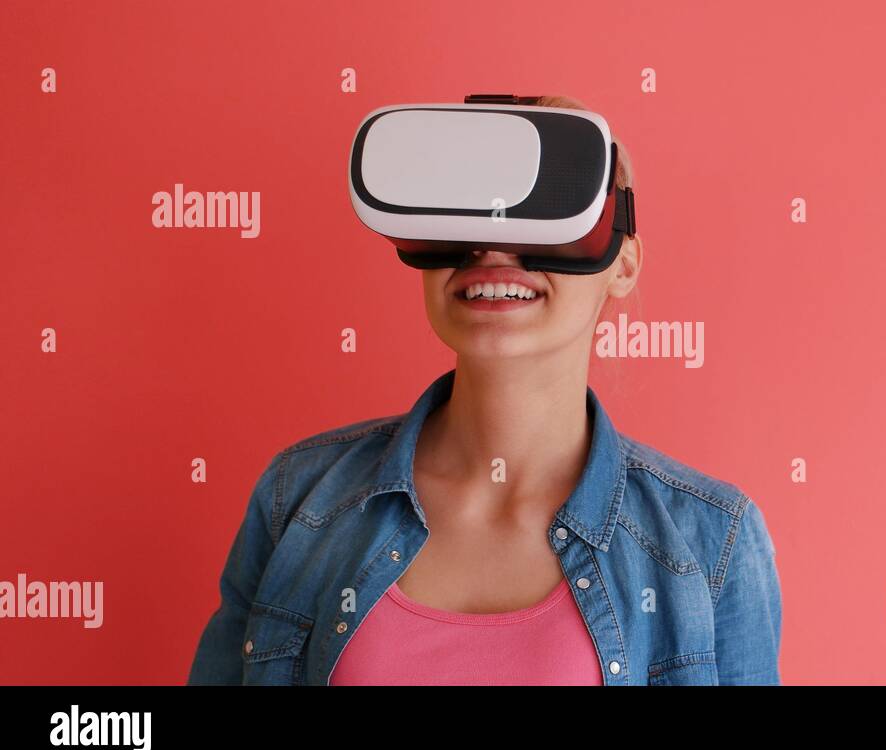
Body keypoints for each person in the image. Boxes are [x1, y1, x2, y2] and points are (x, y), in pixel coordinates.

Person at [186, 95, 782, 686]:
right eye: (462, 214)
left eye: (550, 212)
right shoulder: (298, 500)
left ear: (622, 263)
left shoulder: (711, 542)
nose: (492, 251)